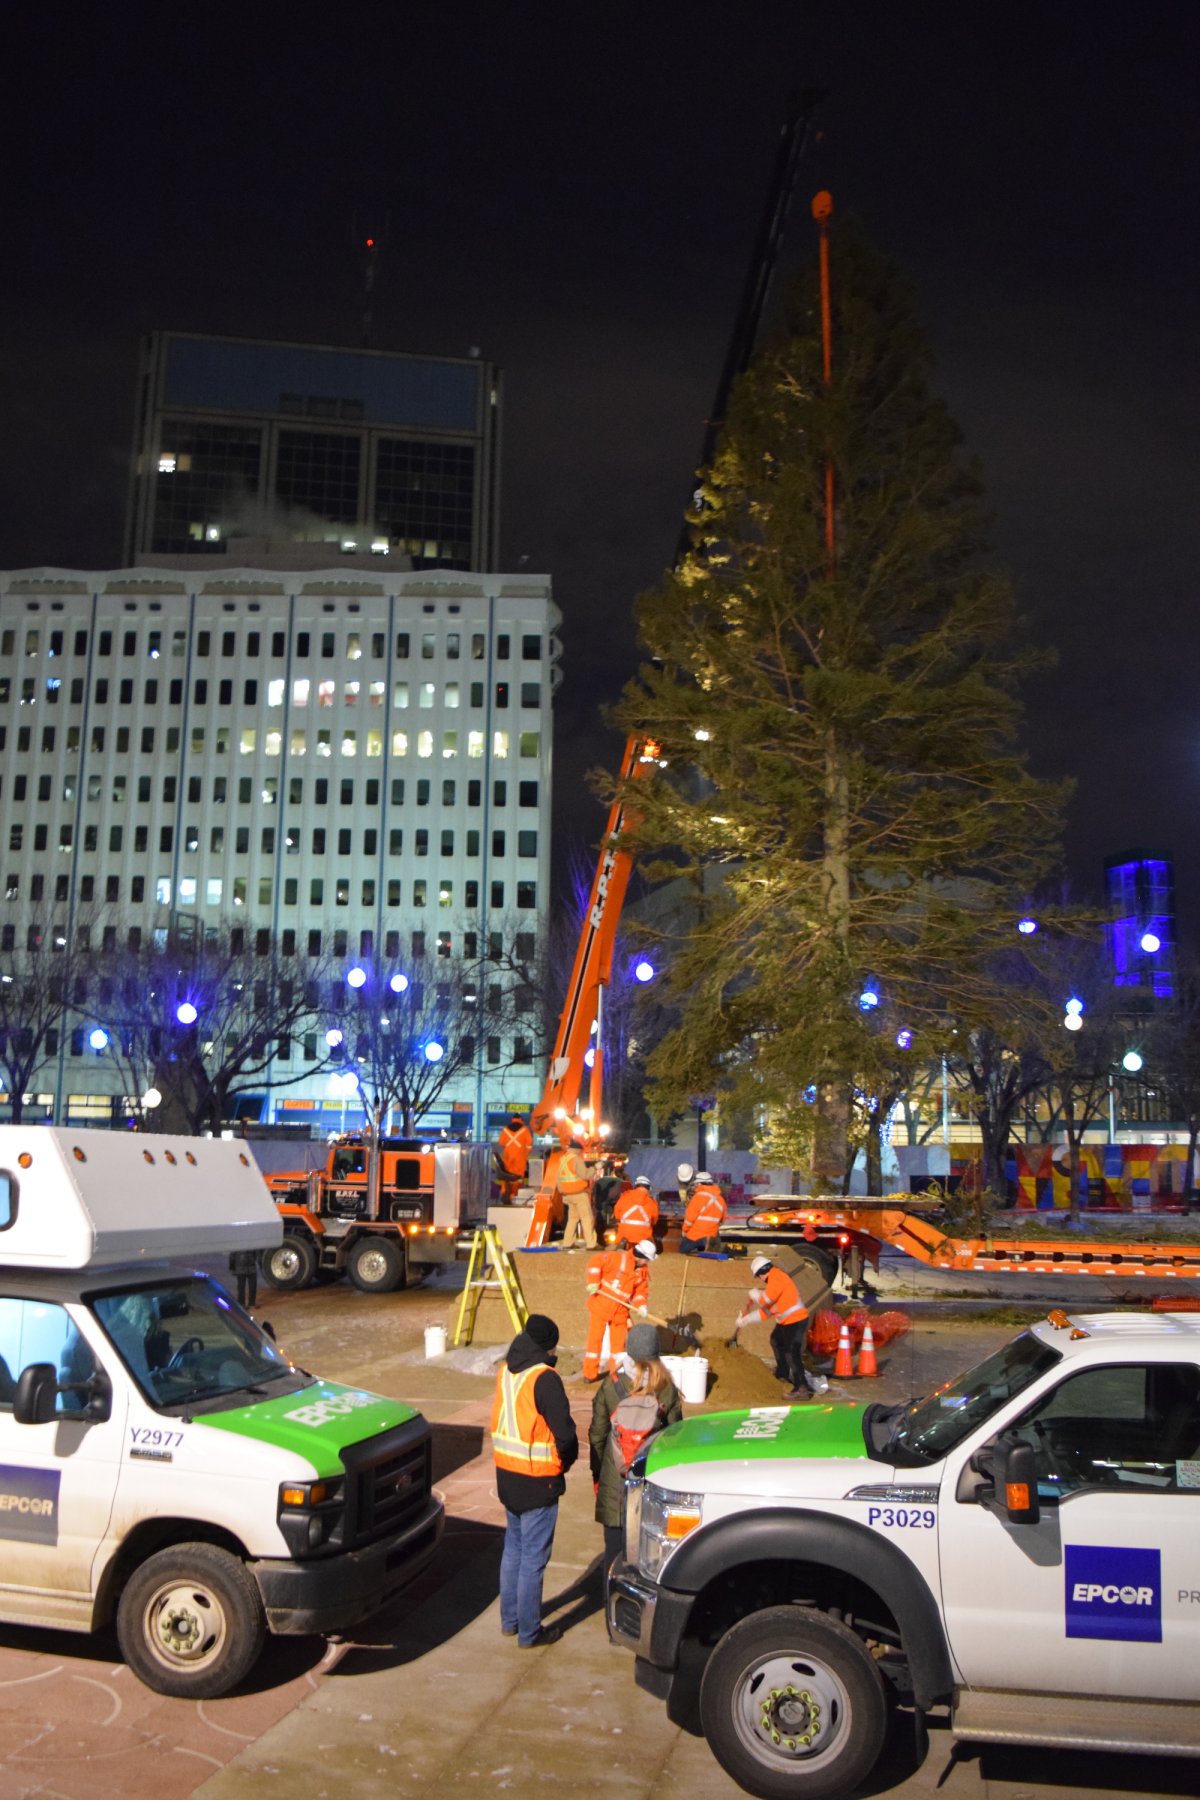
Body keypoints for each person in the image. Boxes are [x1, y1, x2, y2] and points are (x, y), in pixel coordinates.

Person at [491, 1312, 578, 1648]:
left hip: (507, 1476)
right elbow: (566, 1435)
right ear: (548, 1346)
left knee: (513, 1551)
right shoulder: (545, 1377)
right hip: (537, 1478)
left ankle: (510, 1621)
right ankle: (529, 1632)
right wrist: (561, 1465)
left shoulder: (506, 1371)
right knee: (533, 1561)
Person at [589, 1322, 683, 1572]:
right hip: (649, 1481)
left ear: (629, 1351)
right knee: (648, 1556)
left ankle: (613, 1606)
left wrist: (598, 1475)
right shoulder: (666, 1388)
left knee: (613, 1554)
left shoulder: (610, 1386)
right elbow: (674, 1438)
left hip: (615, 1483)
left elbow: (597, 1435)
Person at [734, 1254, 817, 1400]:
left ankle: (801, 1388)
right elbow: (765, 1313)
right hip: (787, 1321)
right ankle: (782, 1373)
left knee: (792, 1353)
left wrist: (755, 1294)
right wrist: (746, 1320)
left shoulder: (777, 1277)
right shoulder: (773, 1281)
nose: (759, 1279)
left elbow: (766, 1300)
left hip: (796, 1321)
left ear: (762, 1272)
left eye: (758, 1276)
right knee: (776, 1340)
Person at [583, 1239, 657, 1380]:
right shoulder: (618, 1258)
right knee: (595, 1341)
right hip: (601, 1304)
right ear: (641, 1257)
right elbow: (595, 1262)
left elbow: (640, 1293)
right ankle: (589, 1374)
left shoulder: (642, 1273)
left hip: (621, 1311)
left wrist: (641, 1306)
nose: (648, 1263)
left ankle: (615, 1374)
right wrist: (593, 1282)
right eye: (647, 1260)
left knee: (618, 1346)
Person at [556, 1138, 597, 1249]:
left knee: (573, 1219)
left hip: (567, 1195)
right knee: (587, 1218)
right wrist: (595, 1168)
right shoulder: (576, 1159)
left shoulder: (563, 1159)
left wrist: (562, 1192)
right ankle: (591, 1244)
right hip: (579, 1193)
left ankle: (567, 1243)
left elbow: (559, 1179)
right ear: (578, 1149)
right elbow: (585, 1175)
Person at [681, 1170, 727, 1255]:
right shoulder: (721, 1199)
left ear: (699, 1184)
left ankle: (702, 1243)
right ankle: (707, 1244)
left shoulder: (698, 1197)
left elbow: (689, 1219)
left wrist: (684, 1231)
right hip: (713, 1235)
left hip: (696, 1235)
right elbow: (722, 1220)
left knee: (683, 1249)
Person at [612, 1174, 658, 1247]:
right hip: (643, 1235)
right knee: (649, 1246)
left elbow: (617, 1214)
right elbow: (654, 1221)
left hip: (624, 1233)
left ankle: (623, 1243)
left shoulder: (625, 1196)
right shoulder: (652, 1202)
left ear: (635, 1186)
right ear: (649, 1188)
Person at [497, 1113, 534, 1203]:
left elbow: (501, 1142)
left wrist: (509, 1148)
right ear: (521, 1120)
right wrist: (526, 1154)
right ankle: (515, 1196)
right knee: (518, 1177)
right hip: (520, 1157)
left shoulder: (505, 1129)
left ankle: (505, 1193)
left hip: (508, 1157)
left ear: (512, 1119)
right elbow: (529, 1144)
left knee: (508, 1176)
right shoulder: (525, 1130)